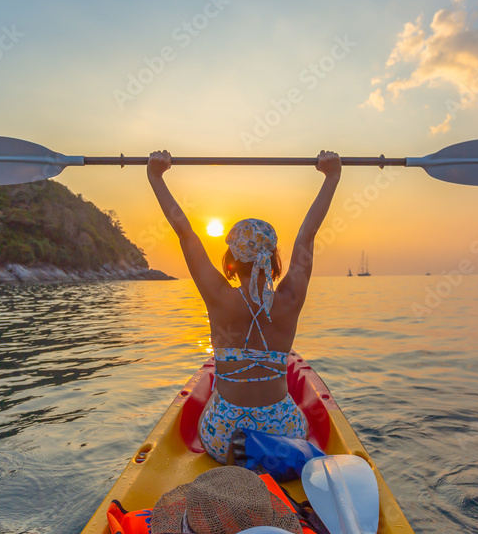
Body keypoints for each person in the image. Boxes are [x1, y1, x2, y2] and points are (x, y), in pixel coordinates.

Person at [146, 149, 342, 463]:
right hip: (282, 433)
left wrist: (155, 176)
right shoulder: (290, 298)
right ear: (274, 258)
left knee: (218, 403)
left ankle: (241, 448)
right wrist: (332, 176)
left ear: (231, 261)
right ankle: (266, 453)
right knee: (288, 420)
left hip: (224, 438)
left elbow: (185, 233)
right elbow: (309, 233)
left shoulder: (218, 296)